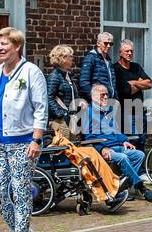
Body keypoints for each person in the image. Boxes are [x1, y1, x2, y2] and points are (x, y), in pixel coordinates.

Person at [0, 27, 48, 232]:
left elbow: (41, 108)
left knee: (20, 191)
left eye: (4, 44)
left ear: (17, 46)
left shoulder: (31, 72)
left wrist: (37, 139)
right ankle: (22, 229)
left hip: (23, 142)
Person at [46, 46, 128, 207]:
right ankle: (107, 190)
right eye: (69, 57)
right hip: (60, 124)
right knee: (76, 157)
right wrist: (64, 113)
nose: (72, 60)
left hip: (72, 121)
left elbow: (73, 97)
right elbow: (48, 99)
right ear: (62, 59)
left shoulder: (68, 76)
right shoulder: (55, 77)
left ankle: (110, 187)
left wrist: (80, 103)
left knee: (81, 156)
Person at [83, 83, 152, 202]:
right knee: (122, 157)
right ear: (94, 96)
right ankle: (141, 188)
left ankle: (120, 188)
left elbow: (116, 131)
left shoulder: (107, 112)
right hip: (104, 149)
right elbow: (88, 137)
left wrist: (124, 141)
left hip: (117, 146)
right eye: (102, 95)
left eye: (107, 94)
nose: (106, 97)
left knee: (139, 155)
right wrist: (102, 149)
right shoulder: (88, 113)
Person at [113, 39, 152, 137]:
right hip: (124, 112)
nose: (130, 53)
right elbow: (125, 90)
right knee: (131, 141)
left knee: (141, 140)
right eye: (127, 51)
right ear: (120, 53)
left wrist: (133, 82)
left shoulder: (136, 67)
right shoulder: (115, 69)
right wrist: (140, 83)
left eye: (131, 51)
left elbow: (149, 83)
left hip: (139, 111)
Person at [78, 31, 116, 100]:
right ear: (98, 43)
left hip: (108, 102)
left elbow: (112, 83)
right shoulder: (91, 58)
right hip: (97, 102)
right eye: (106, 43)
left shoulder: (108, 60)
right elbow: (83, 82)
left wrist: (115, 99)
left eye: (111, 44)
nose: (108, 46)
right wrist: (94, 98)